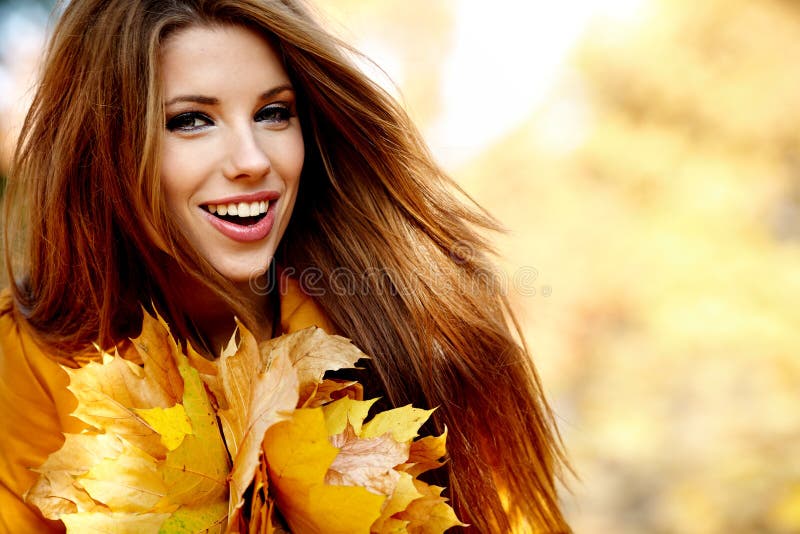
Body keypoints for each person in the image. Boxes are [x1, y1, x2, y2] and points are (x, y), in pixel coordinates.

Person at [0, 0, 570, 532]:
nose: (253, 160)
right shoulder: (29, 365)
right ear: (103, 148)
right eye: (191, 121)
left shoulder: (415, 333)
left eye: (274, 113)